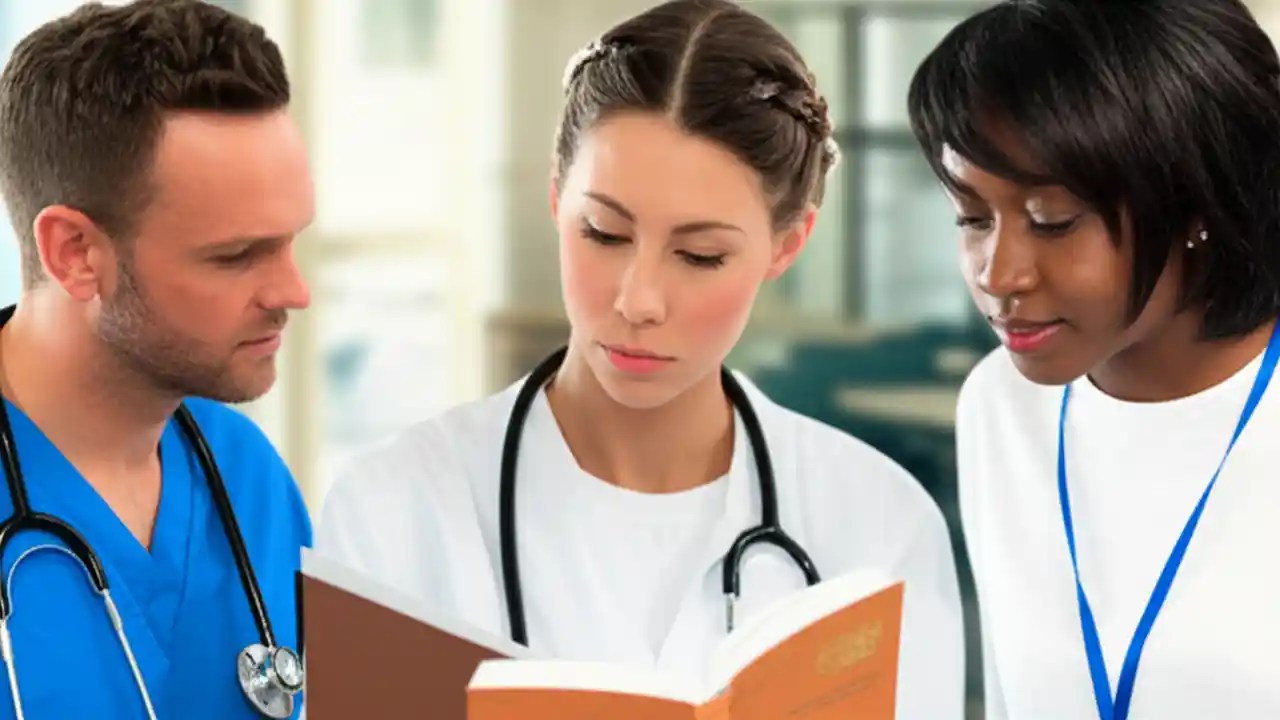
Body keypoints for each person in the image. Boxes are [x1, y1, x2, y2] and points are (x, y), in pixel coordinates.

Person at [315, 0, 964, 717]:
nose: (639, 299)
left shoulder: (880, 527)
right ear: (557, 200)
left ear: (788, 244)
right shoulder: (390, 513)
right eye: (603, 233)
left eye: (699, 255)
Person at [907, 1, 1280, 717]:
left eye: (1053, 221)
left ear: (1196, 207)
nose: (997, 273)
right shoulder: (1000, 404)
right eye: (972, 218)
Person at [0, 1, 314, 718]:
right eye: (237, 256)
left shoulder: (248, 478)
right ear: (76, 253)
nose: (295, 291)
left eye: (292, 240)